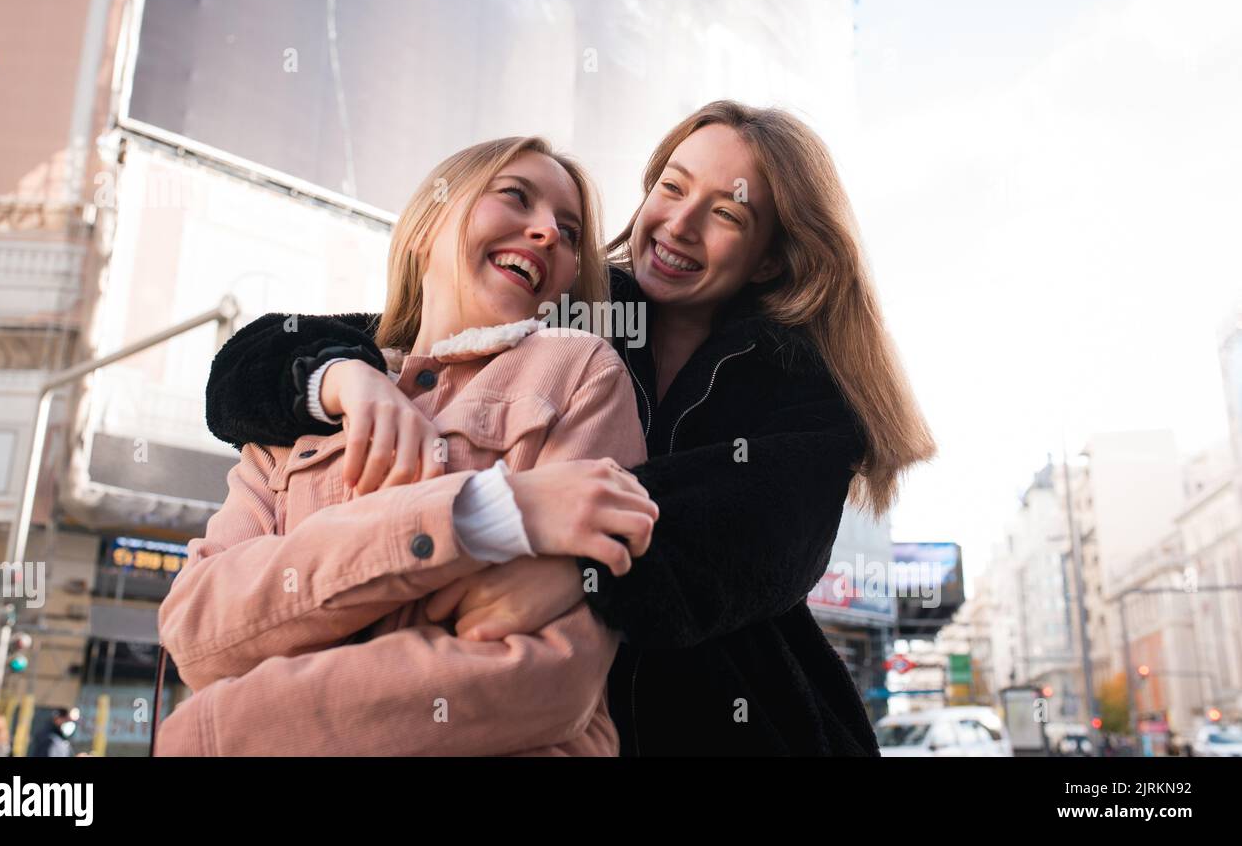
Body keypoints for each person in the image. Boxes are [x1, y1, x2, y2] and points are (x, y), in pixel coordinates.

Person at [204, 100, 937, 755]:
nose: (678, 223)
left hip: (724, 720)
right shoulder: (564, 302)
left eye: (726, 212)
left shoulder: (804, 386)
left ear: (771, 254)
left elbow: (761, 535)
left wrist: (576, 572)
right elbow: (324, 351)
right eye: (671, 187)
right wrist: (338, 374)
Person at [155, 136, 655, 756]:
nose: (548, 232)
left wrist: (213, 733)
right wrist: (482, 515)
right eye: (515, 197)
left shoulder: (580, 371)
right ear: (426, 227)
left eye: (570, 231)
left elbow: (547, 676)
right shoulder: (302, 408)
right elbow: (200, 628)